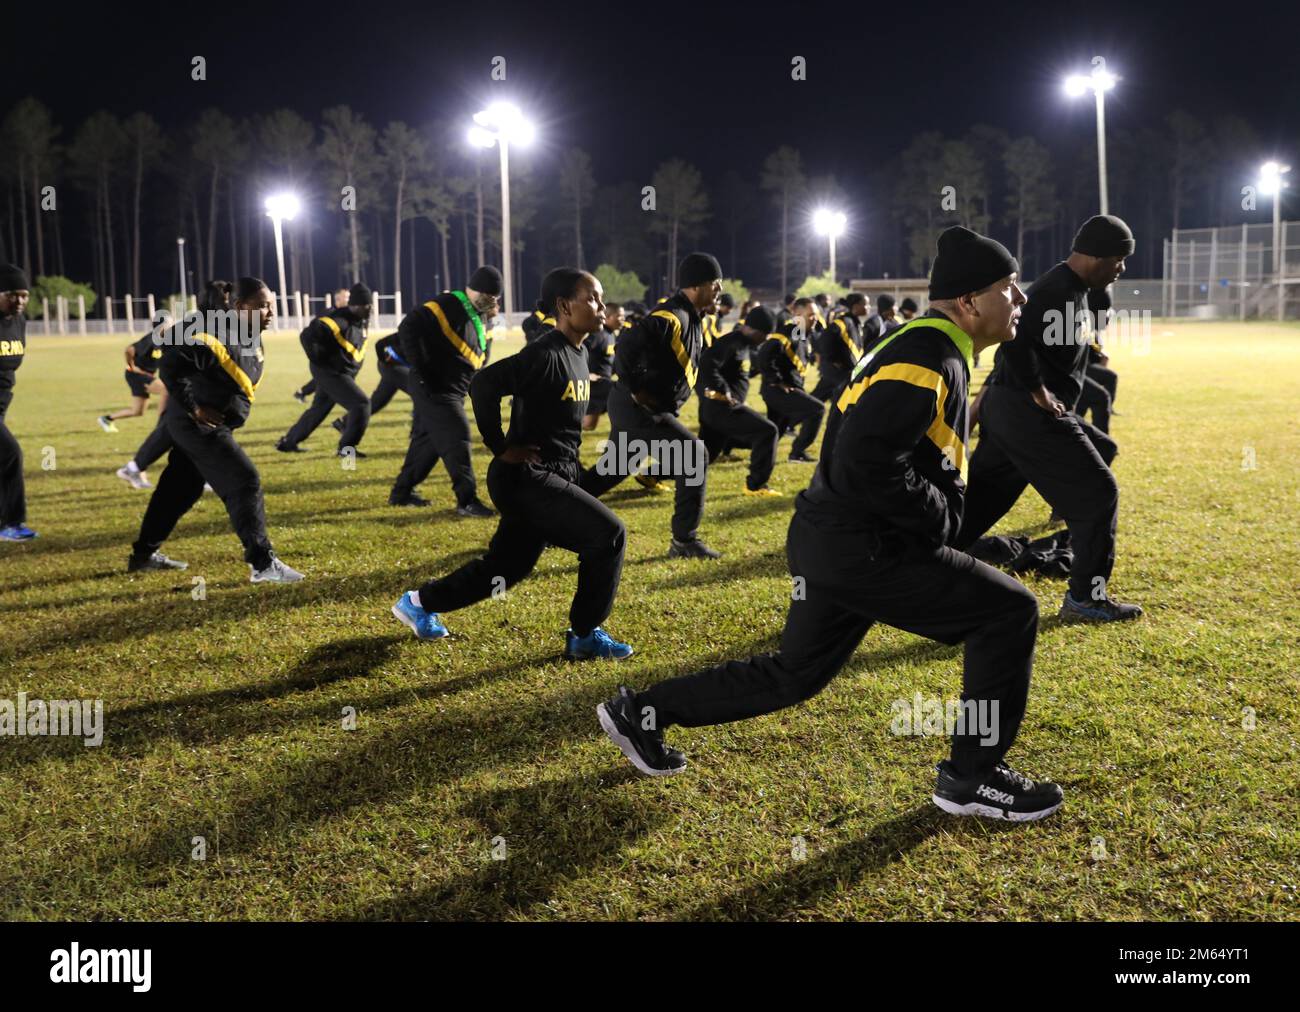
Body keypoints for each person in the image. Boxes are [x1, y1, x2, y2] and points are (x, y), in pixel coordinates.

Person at [597, 226, 1066, 822]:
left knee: (794, 674)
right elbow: (866, 461)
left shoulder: (927, 346)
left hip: (836, 539)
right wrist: (939, 516)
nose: (1021, 299)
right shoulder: (929, 356)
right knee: (1008, 611)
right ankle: (972, 777)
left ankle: (644, 711)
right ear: (971, 301)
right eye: (1010, 286)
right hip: (865, 547)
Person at [392, 268, 632, 659]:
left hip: (548, 477)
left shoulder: (579, 352)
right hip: (526, 478)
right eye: (592, 298)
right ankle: (584, 635)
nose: (602, 307)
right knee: (608, 535)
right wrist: (501, 446)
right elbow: (483, 384)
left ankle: (419, 602)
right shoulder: (545, 351)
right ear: (564, 307)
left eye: (601, 299)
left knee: (505, 569)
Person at [956, 215, 1142, 623]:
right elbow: (1014, 340)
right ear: (1094, 255)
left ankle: (921, 559)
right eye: (1118, 259)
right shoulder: (1056, 290)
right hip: (1028, 410)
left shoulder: (1074, 290)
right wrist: (1040, 392)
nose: (1121, 269)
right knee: (1098, 493)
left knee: (985, 500)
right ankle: (1085, 600)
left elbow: (1046, 345)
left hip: (1011, 409)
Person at [127, 277, 303, 582]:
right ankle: (262, 565)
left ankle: (142, 556)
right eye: (262, 306)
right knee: (245, 480)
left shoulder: (246, 331)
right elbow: (170, 365)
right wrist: (194, 406)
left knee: (178, 491)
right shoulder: (214, 334)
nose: (270, 312)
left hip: (200, 425)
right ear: (238, 307)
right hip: (197, 425)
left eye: (271, 304)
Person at [579, 252, 723, 560]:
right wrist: (637, 389)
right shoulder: (672, 315)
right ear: (697, 286)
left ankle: (551, 514)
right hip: (637, 407)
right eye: (715, 283)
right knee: (694, 455)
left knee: (613, 470)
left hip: (640, 407)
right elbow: (627, 346)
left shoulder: (692, 317)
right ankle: (684, 541)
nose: (719, 289)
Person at [387, 267, 500, 515]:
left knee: (427, 444)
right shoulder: (446, 303)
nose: (493, 303)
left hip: (453, 388)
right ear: (477, 291)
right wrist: (423, 368)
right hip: (435, 387)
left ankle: (401, 492)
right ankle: (467, 500)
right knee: (458, 436)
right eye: (490, 297)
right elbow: (408, 326)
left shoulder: (477, 311)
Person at [117, 281, 233, 490]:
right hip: (189, 389)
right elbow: (169, 359)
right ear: (216, 301)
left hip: (197, 389)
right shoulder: (197, 325)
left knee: (174, 431)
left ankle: (134, 467)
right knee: (198, 429)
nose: (232, 303)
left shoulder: (213, 324)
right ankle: (208, 476)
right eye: (227, 299)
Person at [275, 283, 374, 457]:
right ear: (355, 306)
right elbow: (306, 336)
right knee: (361, 405)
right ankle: (346, 450)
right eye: (367, 306)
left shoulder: (361, 318)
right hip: (331, 373)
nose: (370, 309)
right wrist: (319, 360)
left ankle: (288, 442)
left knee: (319, 409)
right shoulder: (337, 320)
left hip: (340, 373)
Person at [696, 306, 781, 495]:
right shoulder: (731, 342)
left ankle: (650, 474)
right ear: (752, 329)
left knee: (702, 457)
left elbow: (740, 371)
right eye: (764, 333)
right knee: (768, 431)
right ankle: (756, 486)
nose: (765, 338)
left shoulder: (744, 346)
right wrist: (724, 391)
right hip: (722, 408)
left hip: (718, 410)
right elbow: (706, 364)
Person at [756, 296, 824, 463]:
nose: (814, 318)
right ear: (797, 314)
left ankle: (729, 442)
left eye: (815, 314)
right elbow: (764, 355)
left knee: (772, 431)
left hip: (787, 389)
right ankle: (797, 452)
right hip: (778, 390)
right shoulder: (789, 332)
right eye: (811, 315)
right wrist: (777, 380)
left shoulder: (801, 333)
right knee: (816, 409)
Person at [0, 265, 34, 542]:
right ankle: (12, 523)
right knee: (10, 454)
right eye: (13, 294)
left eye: (24, 295)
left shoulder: (19, 322)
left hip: (3, 403)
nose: (20, 300)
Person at [293, 287, 351, 403]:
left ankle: (302, 393)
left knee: (328, 377)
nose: (348, 300)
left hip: (335, 353)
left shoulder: (345, 313)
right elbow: (312, 331)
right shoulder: (328, 313)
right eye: (346, 297)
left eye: (349, 297)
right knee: (330, 376)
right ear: (338, 299)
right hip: (322, 353)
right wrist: (317, 351)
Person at [811, 292, 866, 402]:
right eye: (865, 304)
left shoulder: (855, 323)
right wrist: (833, 360)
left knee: (819, 399)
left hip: (843, 371)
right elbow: (825, 340)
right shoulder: (842, 322)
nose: (868, 307)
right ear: (855, 306)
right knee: (841, 400)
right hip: (836, 371)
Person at [582, 303, 623, 431]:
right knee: (625, 398)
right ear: (608, 317)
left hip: (602, 383)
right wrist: (586, 374)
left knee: (589, 425)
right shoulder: (599, 334)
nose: (623, 319)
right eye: (619, 316)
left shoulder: (611, 334)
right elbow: (579, 350)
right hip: (595, 385)